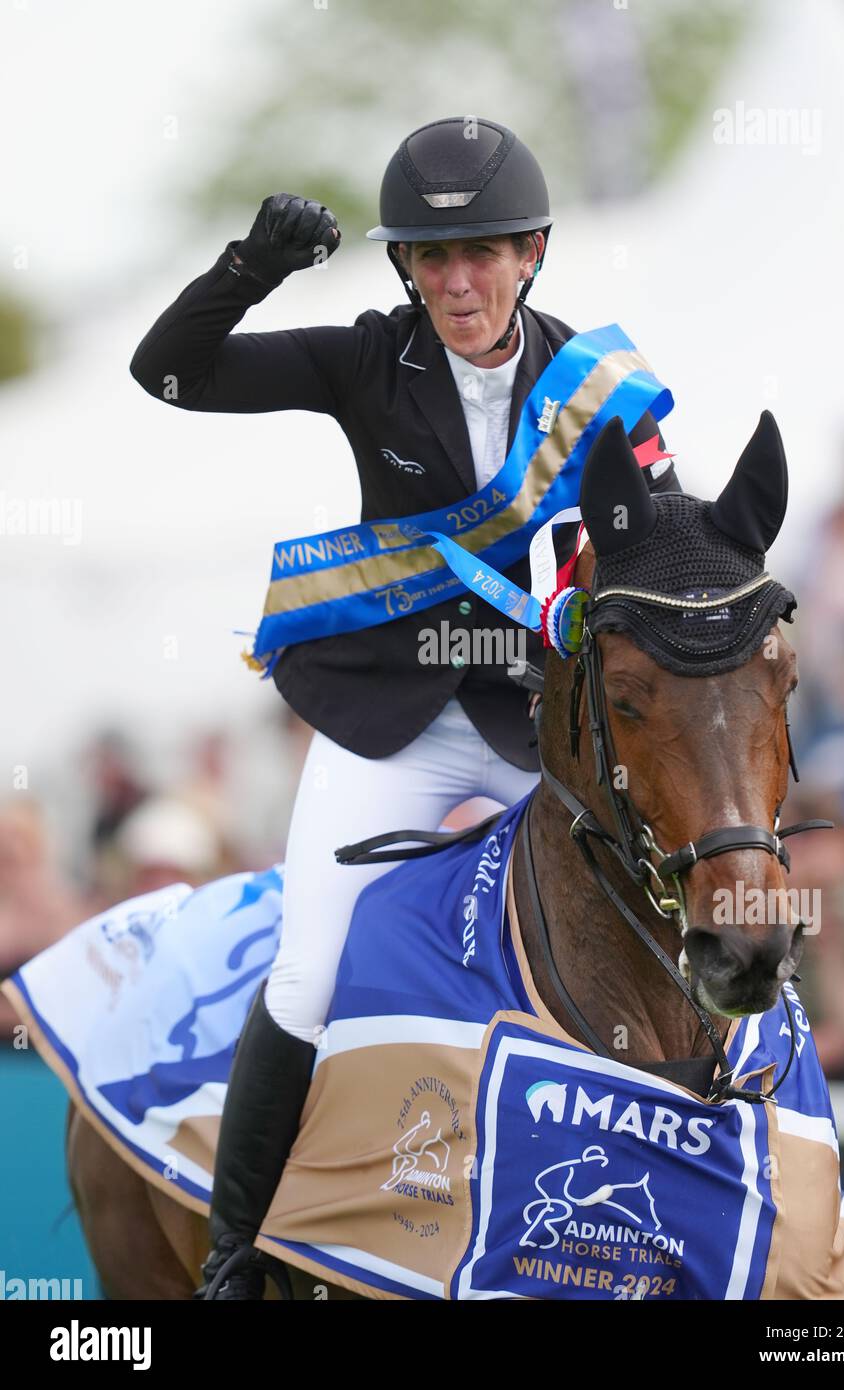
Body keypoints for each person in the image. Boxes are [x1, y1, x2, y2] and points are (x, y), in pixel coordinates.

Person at [128, 115, 681, 1298]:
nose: (457, 280)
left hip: (540, 731)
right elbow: (166, 374)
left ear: (531, 249)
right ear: (403, 268)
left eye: (481, 252)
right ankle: (237, 1254)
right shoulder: (372, 360)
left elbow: (663, 569)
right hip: (398, 726)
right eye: (431, 258)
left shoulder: (599, 393)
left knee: (675, 927)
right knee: (310, 969)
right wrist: (251, 266)